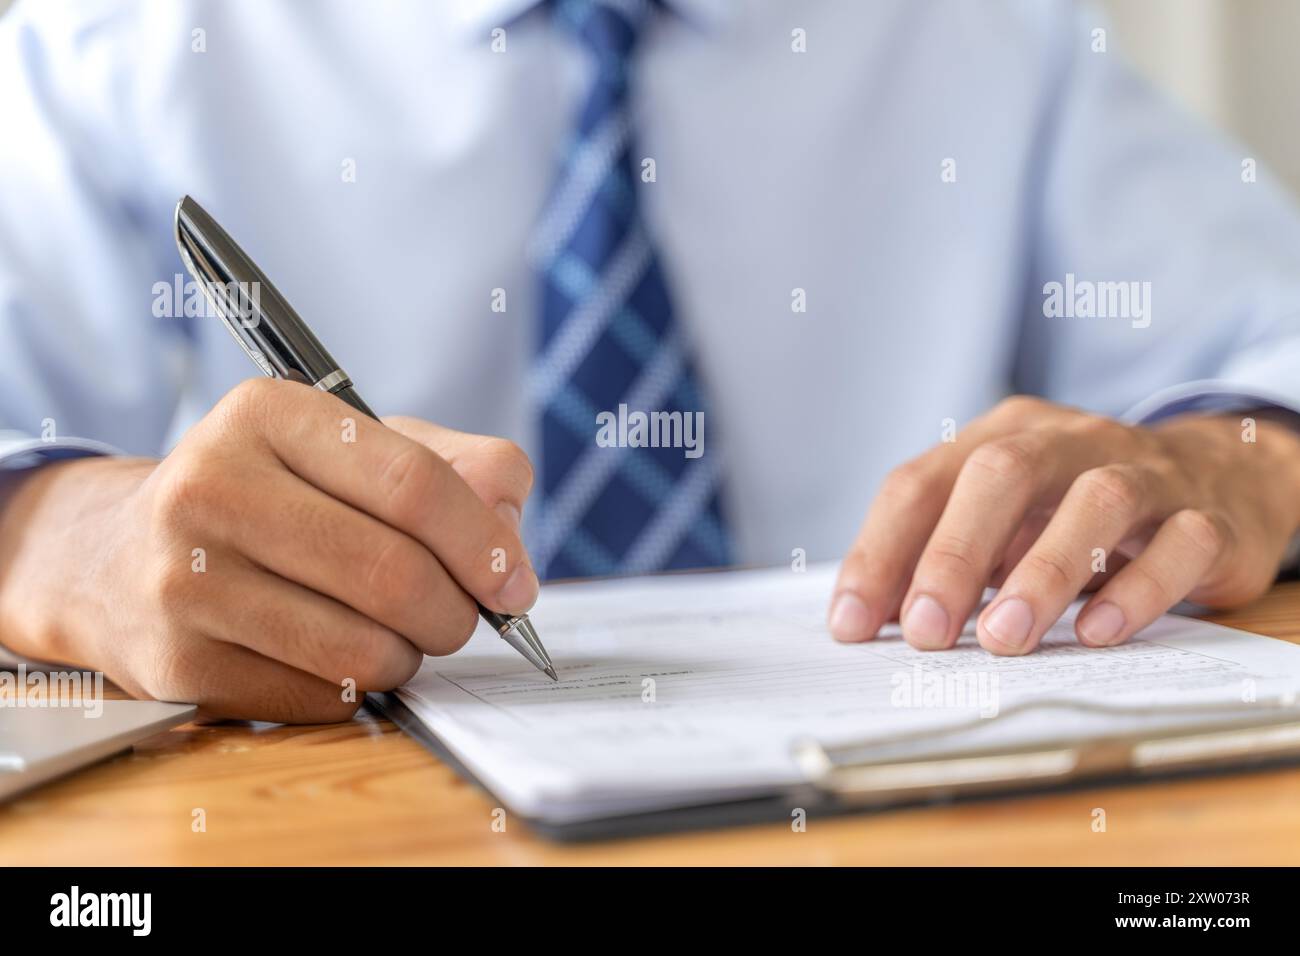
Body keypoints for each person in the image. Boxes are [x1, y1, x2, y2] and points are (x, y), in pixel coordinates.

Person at [1, 0, 1299, 722]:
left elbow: (1265, 356)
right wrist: (64, 536)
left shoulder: (995, 32)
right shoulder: (110, 38)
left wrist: (1223, 459)